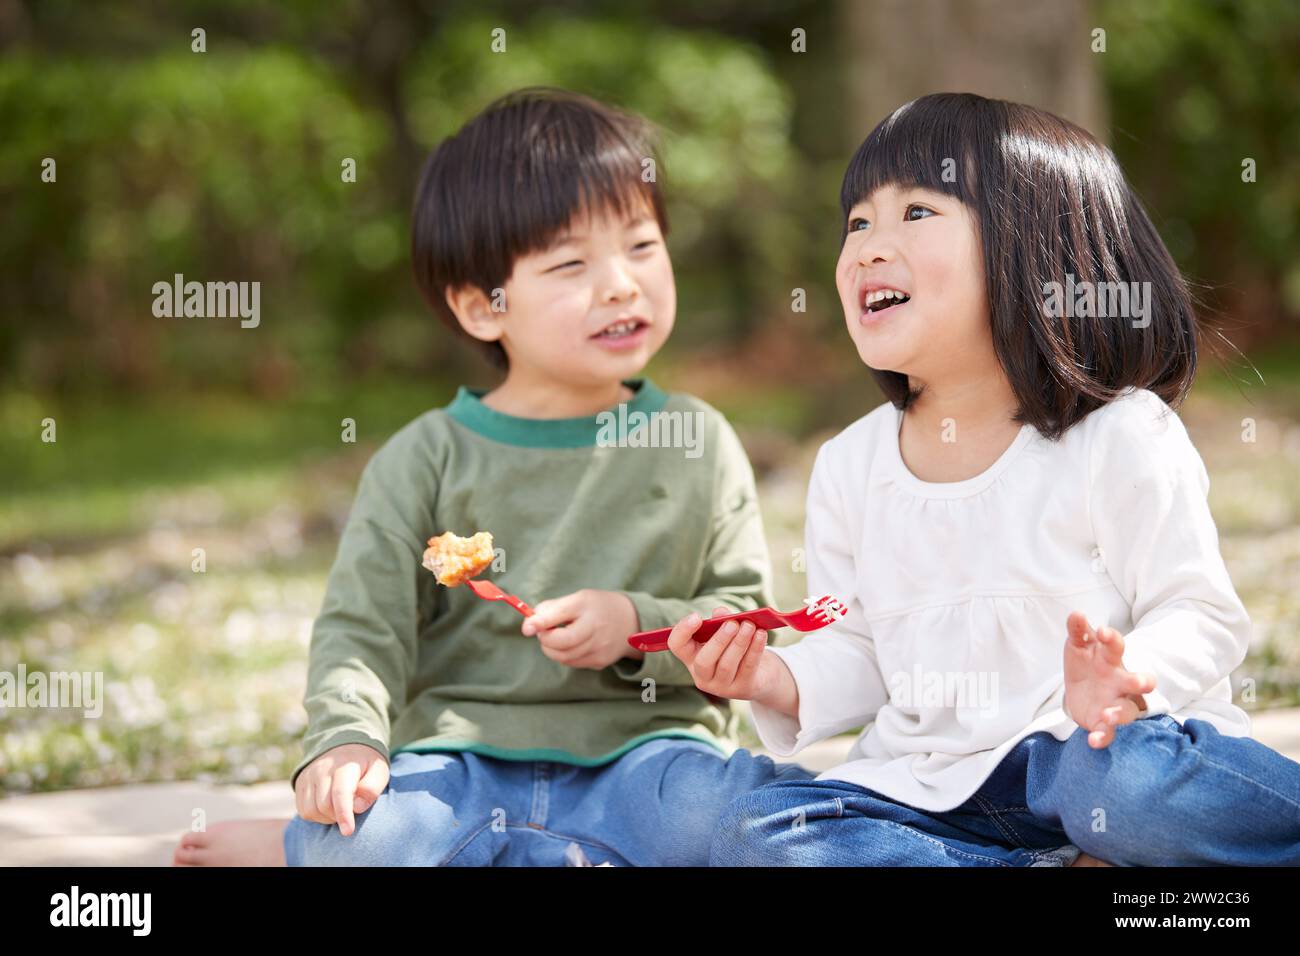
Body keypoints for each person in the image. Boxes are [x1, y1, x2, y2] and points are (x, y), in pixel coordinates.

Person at [173, 87, 811, 867]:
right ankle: (312, 843)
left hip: (651, 758)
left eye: (642, 246)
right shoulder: (425, 456)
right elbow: (362, 629)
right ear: (483, 308)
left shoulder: (700, 441)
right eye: (572, 262)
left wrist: (633, 625)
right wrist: (344, 743)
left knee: (754, 822)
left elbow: (743, 619)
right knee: (369, 841)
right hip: (457, 769)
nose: (620, 283)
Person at [665, 92, 1300, 867]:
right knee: (757, 829)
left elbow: (1201, 611)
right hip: (937, 792)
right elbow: (862, 647)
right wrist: (773, 677)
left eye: (916, 213)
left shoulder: (1119, 434)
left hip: (1096, 752)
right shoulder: (851, 464)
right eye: (857, 222)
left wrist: (1131, 675)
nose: (866, 247)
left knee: (1131, 786)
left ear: (1040, 248)